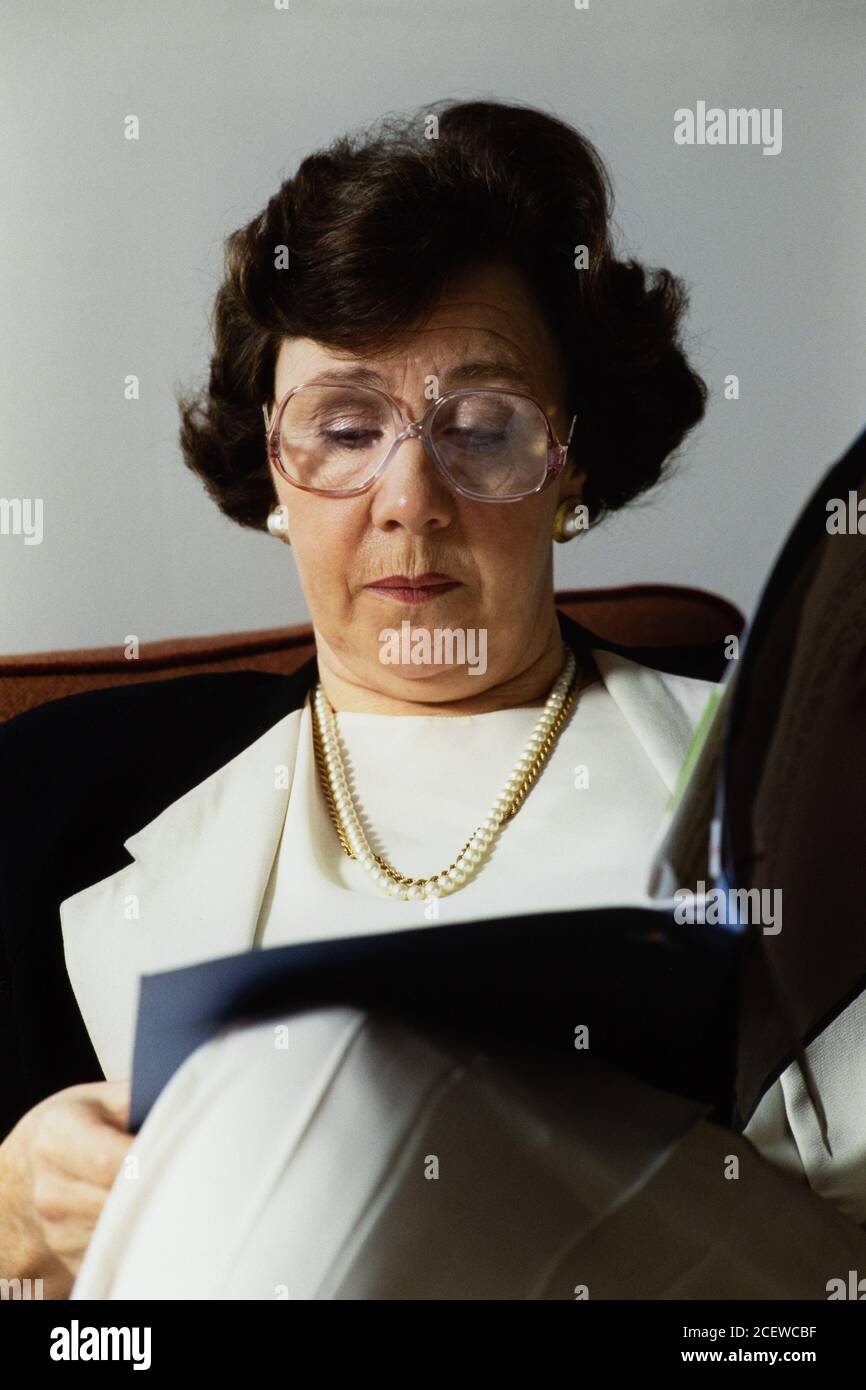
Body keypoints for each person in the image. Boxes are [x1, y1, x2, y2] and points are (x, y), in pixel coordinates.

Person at [1, 98, 862, 1301]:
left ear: (570, 467)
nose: (410, 496)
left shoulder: (789, 759)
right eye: (345, 427)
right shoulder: (52, 796)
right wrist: (11, 1217)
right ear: (273, 476)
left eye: (482, 426)